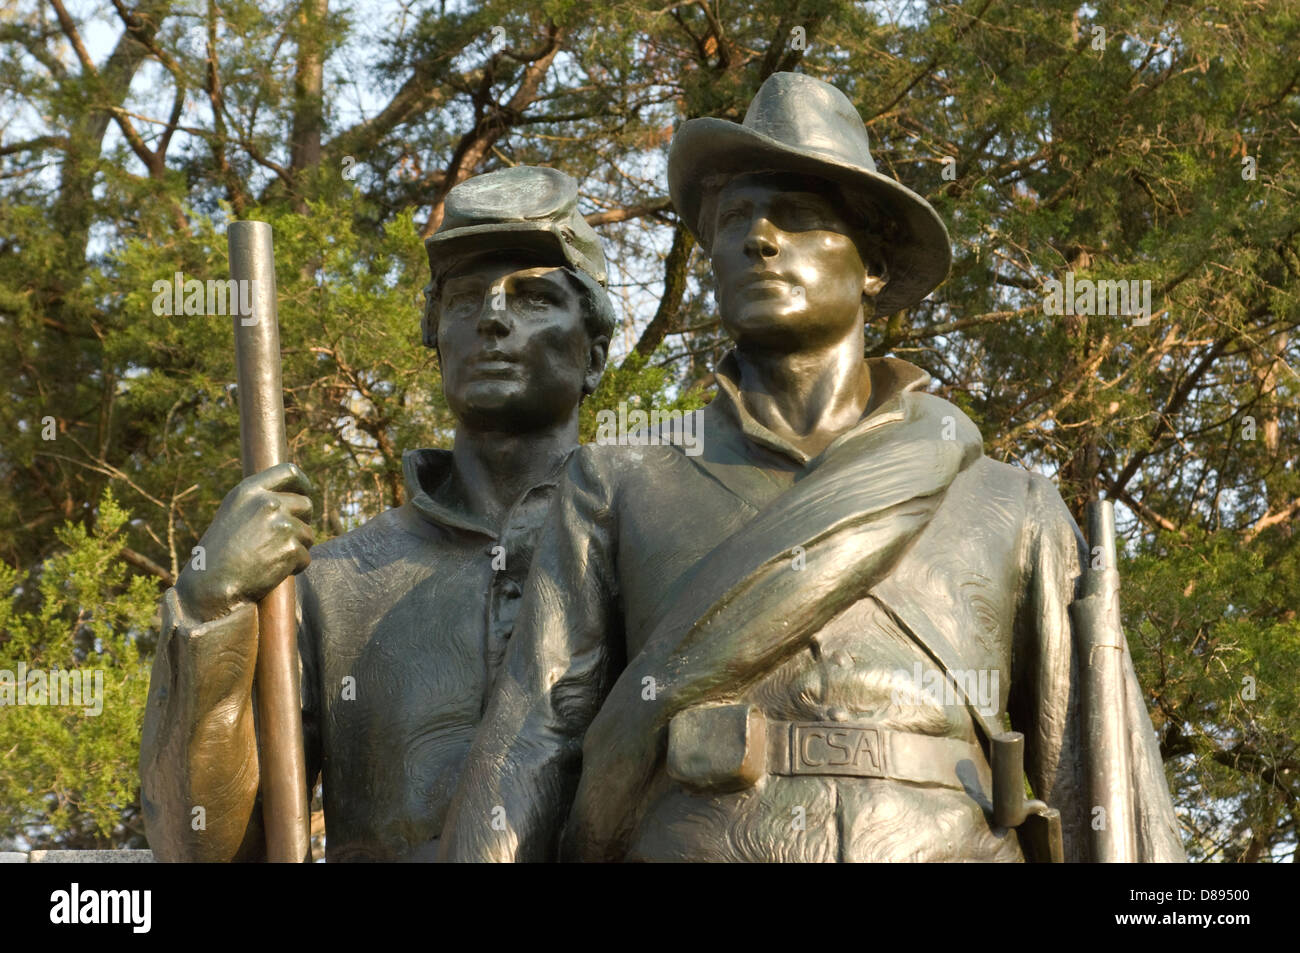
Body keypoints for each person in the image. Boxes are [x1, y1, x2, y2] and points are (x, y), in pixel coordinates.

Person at [439, 73, 1184, 863]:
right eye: (734, 222)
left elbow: (1097, 772)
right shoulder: (620, 480)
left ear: (872, 265)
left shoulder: (1013, 504)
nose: (759, 239)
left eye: (798, 219)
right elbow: (532, 743)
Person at [139, 166, 614, 861]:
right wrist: (209, 609)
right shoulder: (331, 586)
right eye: (463, 300)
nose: (491, 316)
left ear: (595, 351)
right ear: (435, 333)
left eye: (534, 296)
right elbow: (201, 846)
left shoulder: (644, 548)